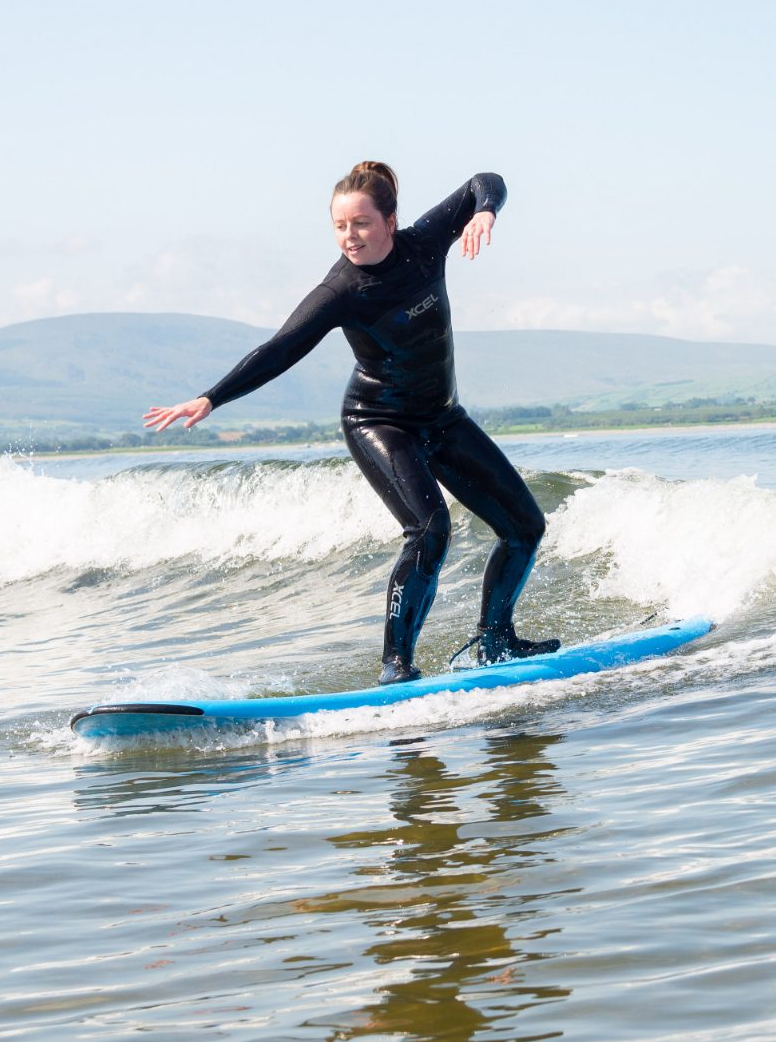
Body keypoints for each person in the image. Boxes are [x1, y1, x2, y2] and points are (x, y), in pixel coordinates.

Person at [143, 161, 556, 683]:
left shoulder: (425, 242)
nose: (349, 236)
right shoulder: (341, 290)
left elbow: (485, 181)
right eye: (339, 226)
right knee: (430, 530)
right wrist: (211, 398)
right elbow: (279, 349)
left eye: (360, 223)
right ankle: (396, 665)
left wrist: (485, 212)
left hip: (443, 417)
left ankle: (496, 642)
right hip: (378, 421)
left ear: (389, 220)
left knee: (525, 527)